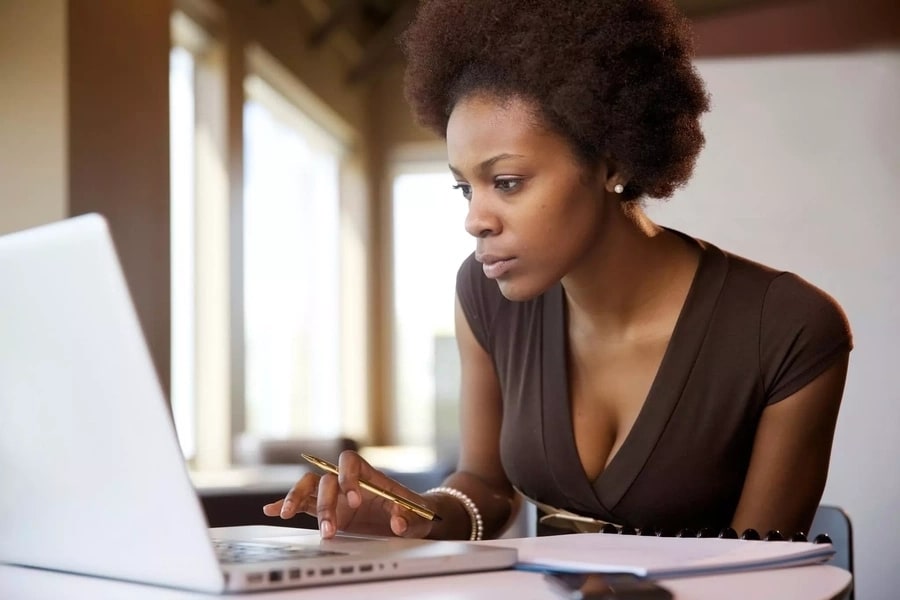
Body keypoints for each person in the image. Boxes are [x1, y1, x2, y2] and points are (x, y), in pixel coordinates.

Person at [263, 0, 852, 541]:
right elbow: (486, 487)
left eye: (508, 182)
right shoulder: (484, 295)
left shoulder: (788, 330)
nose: (475, 220)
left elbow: (760, 577)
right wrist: (406, 515)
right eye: (464, 188)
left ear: (610, 160)